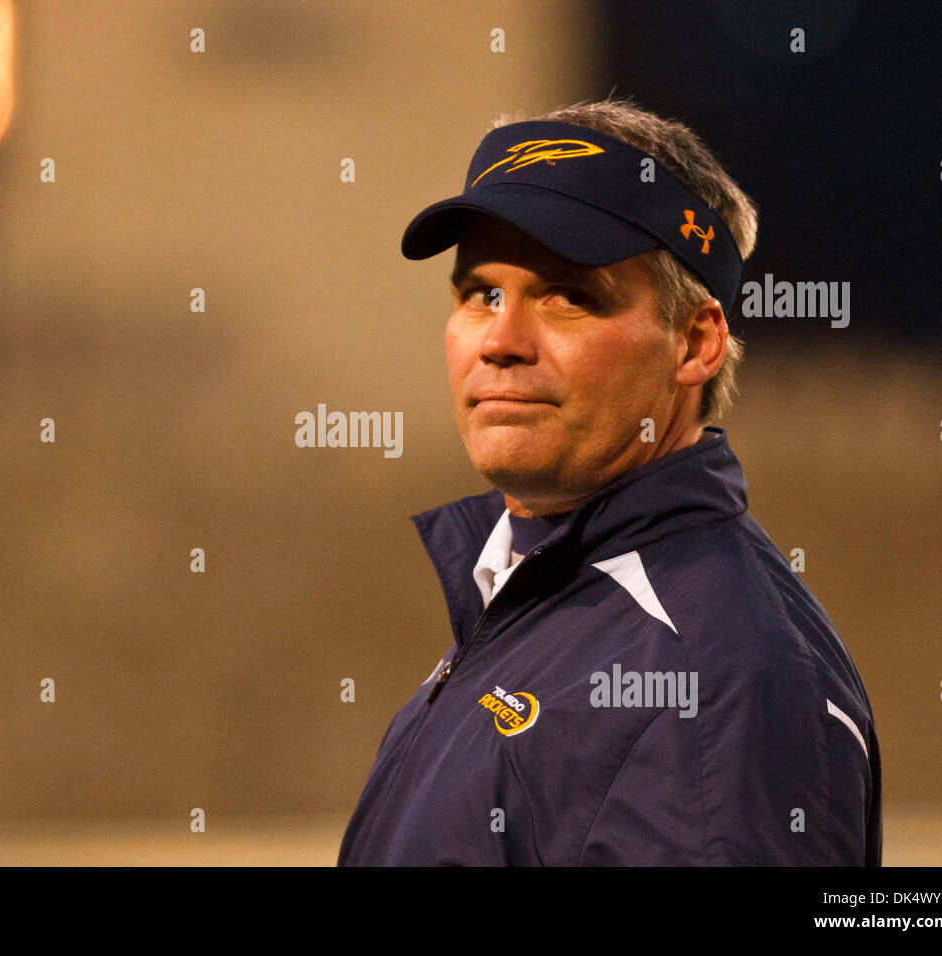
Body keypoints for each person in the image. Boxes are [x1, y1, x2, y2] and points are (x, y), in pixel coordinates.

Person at [337, 97, 881, 866]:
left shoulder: (718, 681)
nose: (500, 340)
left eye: (568, 297)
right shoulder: (535, 594)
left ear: (695, 343)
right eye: (479, 293)